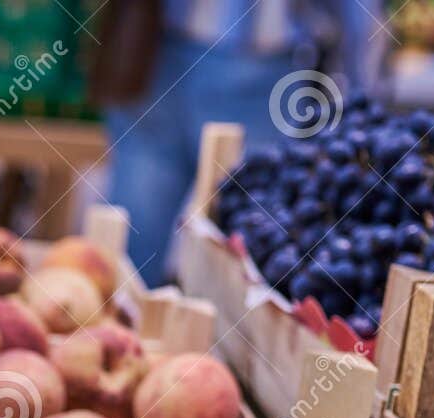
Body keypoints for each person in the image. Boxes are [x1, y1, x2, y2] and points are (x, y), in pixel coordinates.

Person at [92, 0, 384, 285]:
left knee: (132, 253)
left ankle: (106, 317)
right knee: (250, 262)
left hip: (161, 47)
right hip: (227, 58)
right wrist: (360, 96)